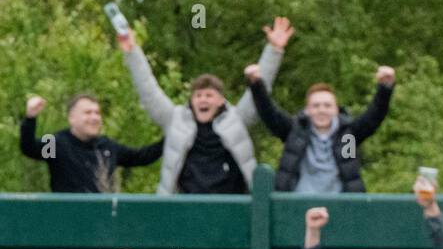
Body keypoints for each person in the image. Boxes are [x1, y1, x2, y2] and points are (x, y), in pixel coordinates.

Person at [117, 17, 292, 194]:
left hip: (232, 208)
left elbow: (258, 92)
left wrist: (274, 50)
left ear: (221, 101)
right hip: (187, 209)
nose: (203, 100)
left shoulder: (236, 119)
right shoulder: (175, 119)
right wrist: (132, 52)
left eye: (209, 95)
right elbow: (149, 92)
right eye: (198, 95)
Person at [247, 65, 394, 193]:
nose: (321, 110)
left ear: (336, 110)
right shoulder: (296, 131)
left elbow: (374, 116)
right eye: (316, 106)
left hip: (340, 207)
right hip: (298, 205)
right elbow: (269, 113)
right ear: (307, 110)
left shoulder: (347, 136)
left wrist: (385, 88)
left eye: (327, 105)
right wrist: (256, 84)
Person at [21, 93, 162, 192]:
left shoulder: (106, 146)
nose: (94, 117)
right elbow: (29, 148)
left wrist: (169, 141)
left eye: (97, 113)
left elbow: (140, 157)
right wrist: (30, 118)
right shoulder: (56, 143)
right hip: (68, 220)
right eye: (88, 113)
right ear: (72, 118)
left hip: (101, 222)